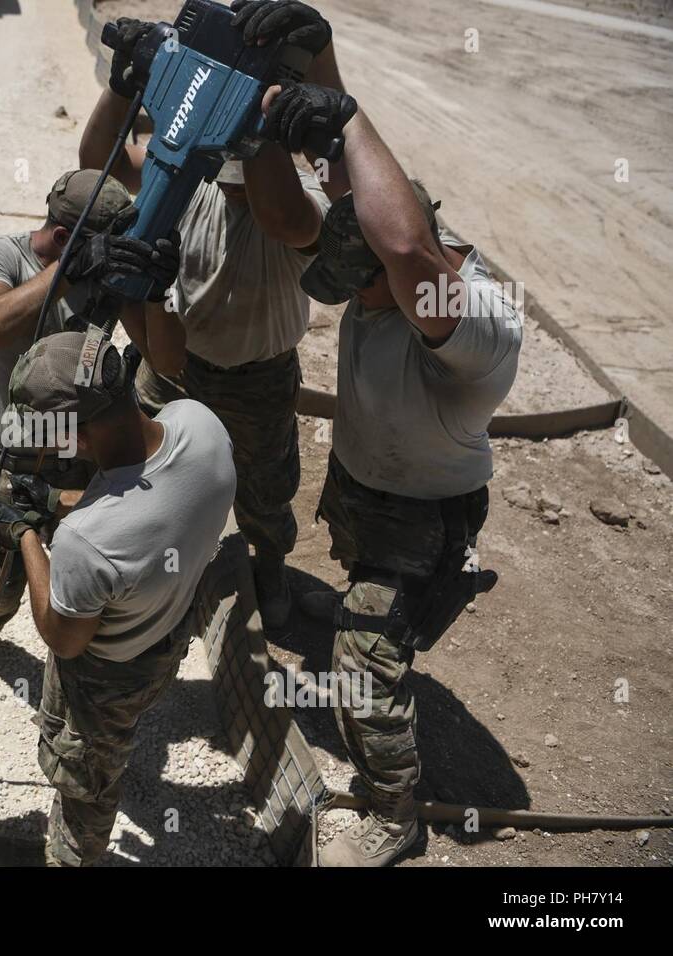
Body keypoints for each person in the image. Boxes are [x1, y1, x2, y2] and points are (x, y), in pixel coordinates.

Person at [258, 70, 523, 865]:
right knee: (357, 591)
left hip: (424, 514)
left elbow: (405, 247)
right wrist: (294, 122)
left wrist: (353, 115)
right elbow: (344, 209)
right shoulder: (375, 277)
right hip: (368, 493)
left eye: (367, 288)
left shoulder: (476, 327)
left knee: (363, 677)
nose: (357, 303)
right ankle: (373, 607)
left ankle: (394, 813)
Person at [78, 1, 343, 627]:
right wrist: (127, 86)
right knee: (142, 472)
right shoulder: (187, 177)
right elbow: (99, 160)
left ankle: (266, 564)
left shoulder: (296, 212)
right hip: (173, 368)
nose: (223, 175)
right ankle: (150, 562)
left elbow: (281, 217)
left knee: (263, 491)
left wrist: (254, 110)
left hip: (257, 379)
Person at [0, 330, 236, 866]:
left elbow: (63, 636)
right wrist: (55, 501)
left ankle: (71, 857)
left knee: (86, 780)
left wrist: (25, 531)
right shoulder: (200, 423)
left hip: (105, 678)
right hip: (162, 640)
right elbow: (147, 507)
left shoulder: (84, 542)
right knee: (104, 750)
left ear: (74, 434)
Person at [0, 169, 175, 652]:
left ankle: (83, 649)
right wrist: (67, 273)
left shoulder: (107, 270)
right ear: (62, 236)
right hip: (22, 444)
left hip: (90, 447)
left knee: (98, 559)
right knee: (4, 567)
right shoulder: (0, 257)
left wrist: (155, 291)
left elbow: (165, 359)